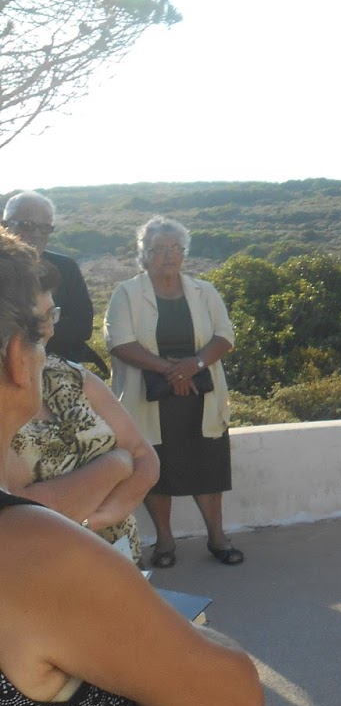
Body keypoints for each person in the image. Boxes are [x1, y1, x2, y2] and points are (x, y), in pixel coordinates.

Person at [0, 230, 263, 706]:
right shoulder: (32, 554)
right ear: (14, 358)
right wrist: (149, 662)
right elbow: (229, 697)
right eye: (44, 329)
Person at [105, 217, 241, 568]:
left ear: (184, 253)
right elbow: (120, 343)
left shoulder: (204, 291)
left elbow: (224, 337)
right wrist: (172, 370)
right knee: (157, 470)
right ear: (144, 254)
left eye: (174, 249)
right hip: (148, 397)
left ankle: (218, 537)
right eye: (159, 249)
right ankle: (164, 542)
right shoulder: (127, 293)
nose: (168, 255)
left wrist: (191, 366)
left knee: (208, 466)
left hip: (201, 395)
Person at [6, 288, 160, 562]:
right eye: (39, 318)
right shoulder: (8, 404)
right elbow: (25, 509)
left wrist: (99, 518)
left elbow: (145, 456)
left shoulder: (71, 374)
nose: (50, 329)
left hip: (118, 556)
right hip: (50, 567)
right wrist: (117, 464)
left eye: (52, 314)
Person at [3, 190, 107, 373]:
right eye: (27, 225)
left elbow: (83, 328)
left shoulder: (66, 268)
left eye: (45, 228)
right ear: (4, 226)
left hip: (57, 371)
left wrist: (23, 329)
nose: (36, 234)